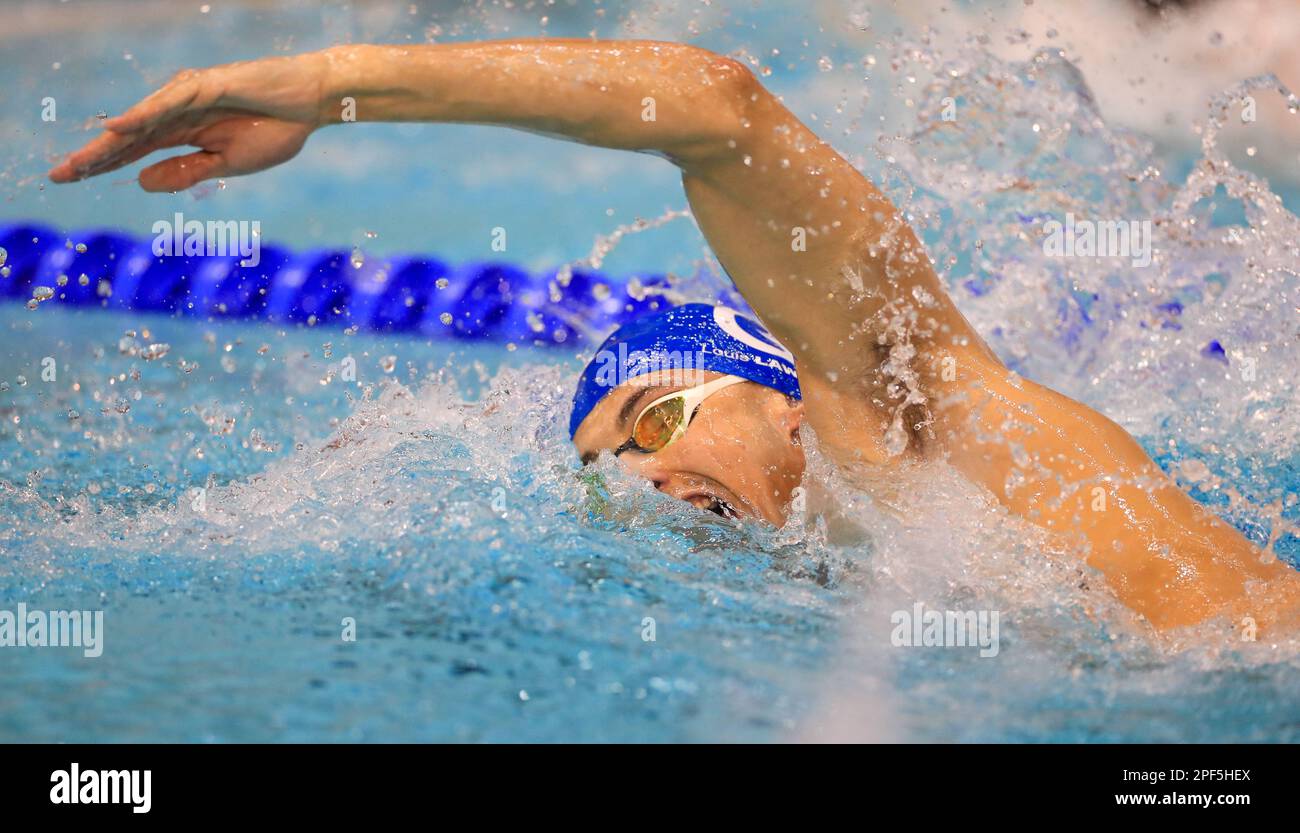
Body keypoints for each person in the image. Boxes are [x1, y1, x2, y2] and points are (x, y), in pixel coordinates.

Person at [49, 39, 1300, 633]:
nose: (641, 476)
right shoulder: (843, 568)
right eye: (609, 461)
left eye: (652, 418)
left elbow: (716, 110)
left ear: (785, 390)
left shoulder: (907, 417)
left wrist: (331, 88)